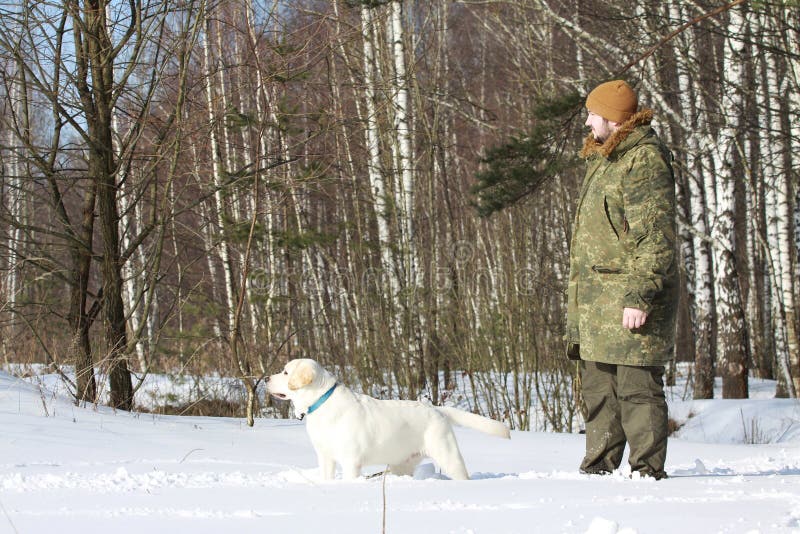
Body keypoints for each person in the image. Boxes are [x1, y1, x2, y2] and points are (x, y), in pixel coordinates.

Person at [565, 80, 678, 480]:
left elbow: (655, 236)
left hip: (630, 299)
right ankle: (598, 470)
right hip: (598, 303)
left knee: (637, 390)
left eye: (593, 114)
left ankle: (647, 475)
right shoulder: (606, 157)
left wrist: (640, 295)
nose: (588, 121)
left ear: (613, 119)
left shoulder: (643, 160)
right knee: (600, 391)